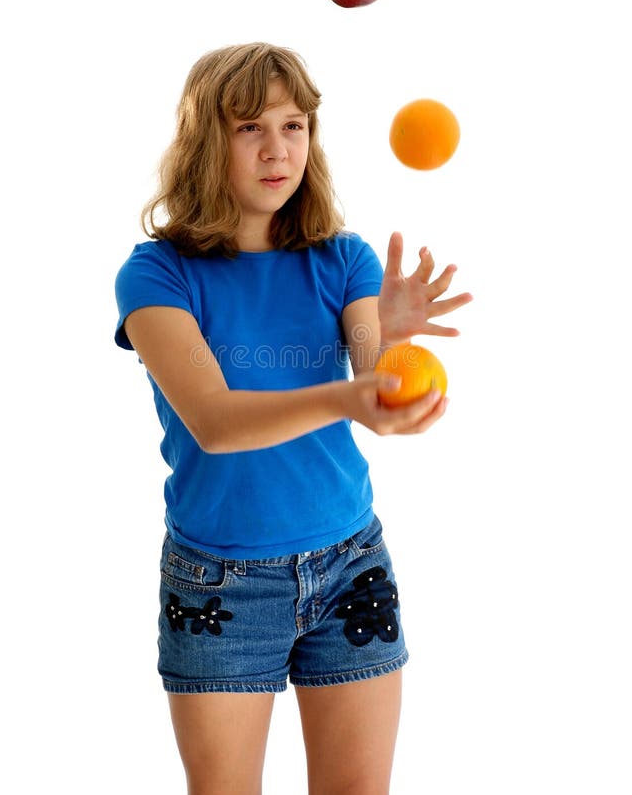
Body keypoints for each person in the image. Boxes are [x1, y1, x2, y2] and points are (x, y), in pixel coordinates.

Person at [114, 42, 471, 795]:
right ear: (208, 141)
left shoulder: (343, 259)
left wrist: (392, 337)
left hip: (349, 565)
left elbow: (380, 392)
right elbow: (214, 420)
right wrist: (347, 393)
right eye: (250, 128)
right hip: (217, 582)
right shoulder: (156, 273)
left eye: (294, 124)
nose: (278, 151)